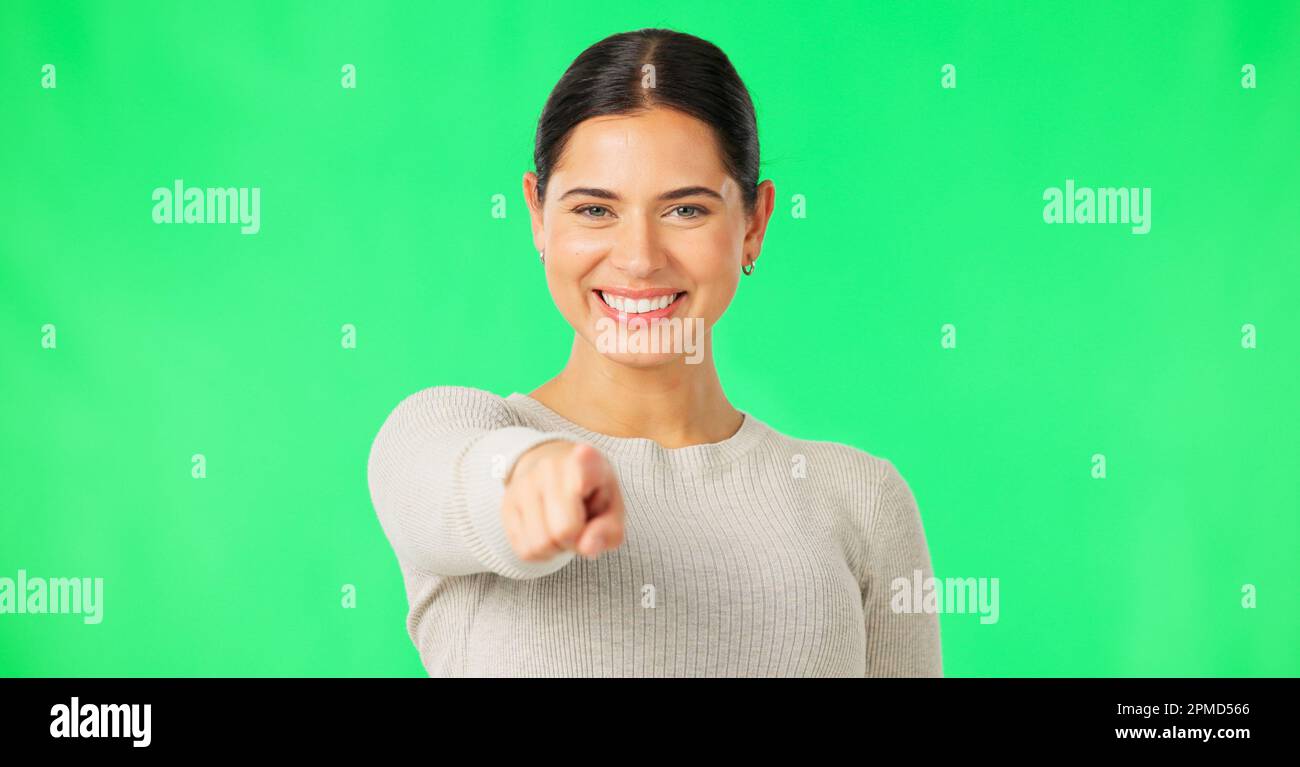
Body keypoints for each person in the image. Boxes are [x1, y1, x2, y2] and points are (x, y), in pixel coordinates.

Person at [367, 27, 941, 677]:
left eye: (686, 210)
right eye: (594, 210)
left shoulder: (862, 500)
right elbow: (456, 485)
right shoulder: (449, 435)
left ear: (753, 223)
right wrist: (527, 481)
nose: (639, 259)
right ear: (537, 214)